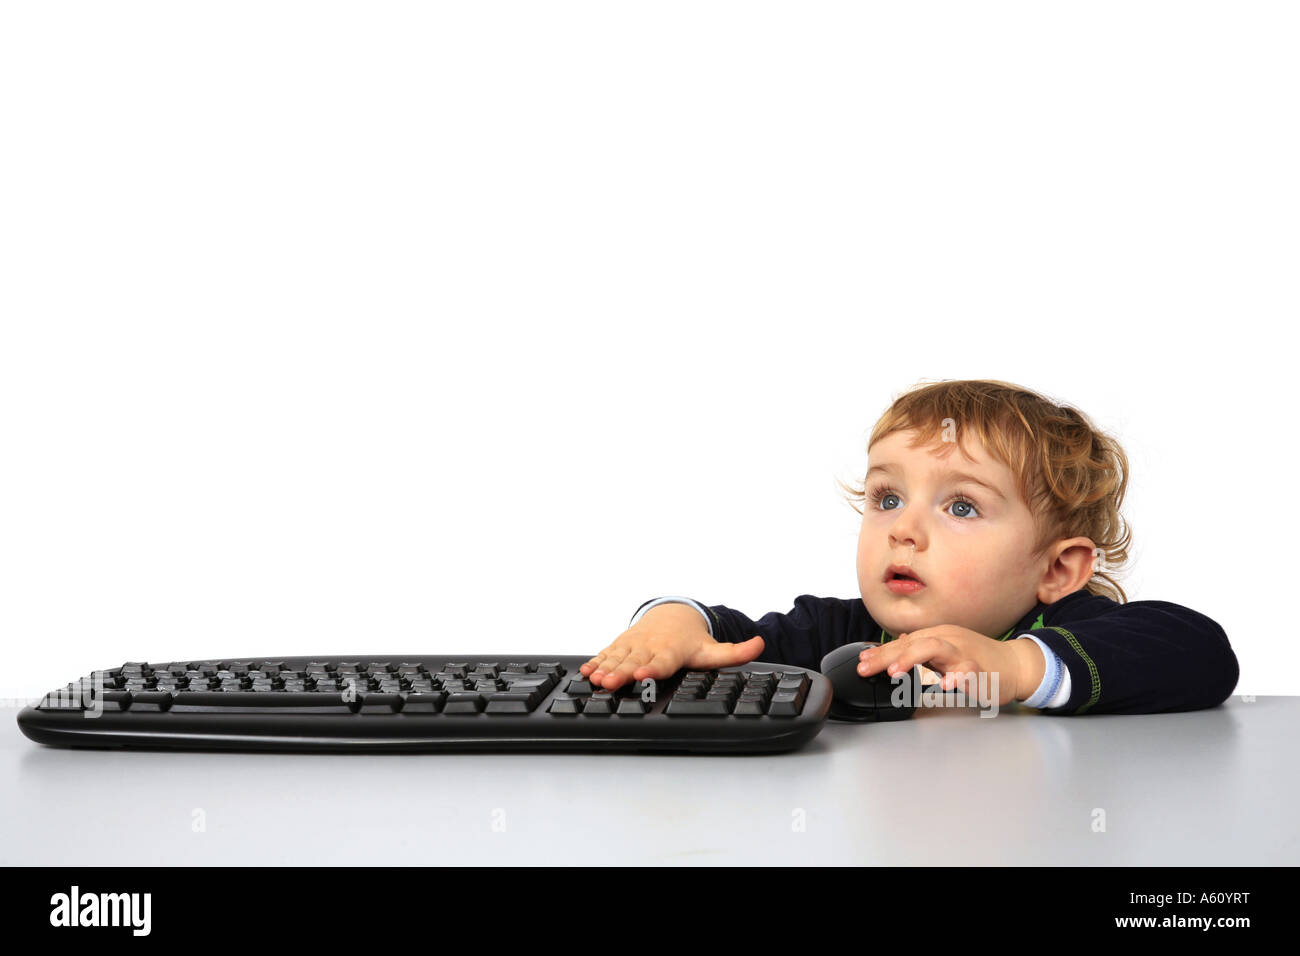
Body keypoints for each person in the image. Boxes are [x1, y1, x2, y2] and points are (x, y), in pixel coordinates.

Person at [580, 379, 1239, 715]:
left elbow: (1201, 652)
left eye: (960, 506)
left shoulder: (1066, 628)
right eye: (888, 498)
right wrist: (675, 619)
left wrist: (1013, 670)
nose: (903, 529)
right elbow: (735, 640)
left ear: (1056, 567)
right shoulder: (846, 631)